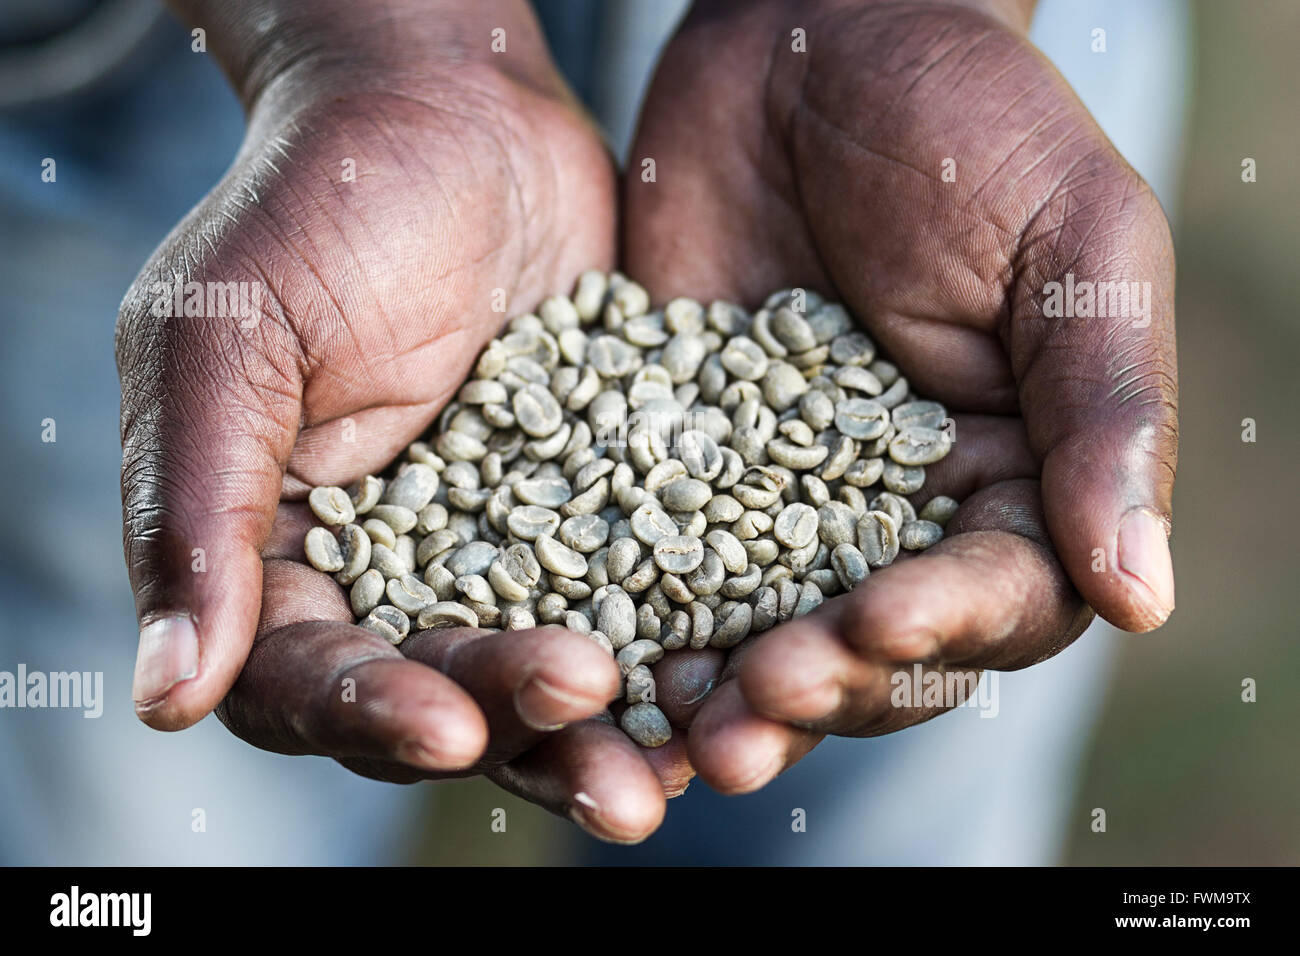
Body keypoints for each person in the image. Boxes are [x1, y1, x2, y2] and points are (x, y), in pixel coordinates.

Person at [2, 0, 1184, 863]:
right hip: (175, 74)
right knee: (150, 803)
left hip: (898, 153)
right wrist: (375, 43)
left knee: (879, 750)